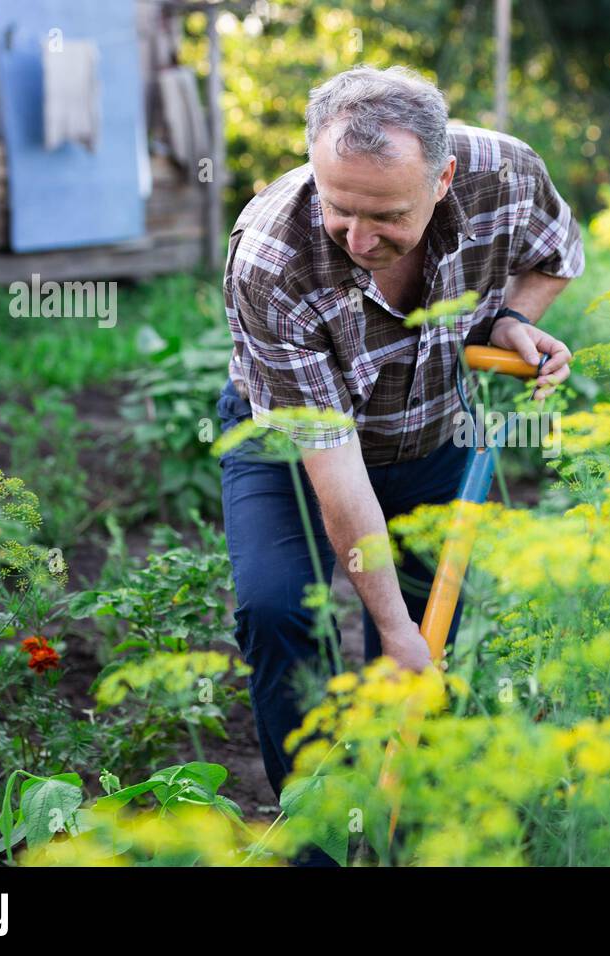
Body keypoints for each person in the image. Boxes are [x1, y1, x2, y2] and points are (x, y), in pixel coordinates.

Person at [217, 64, 585, 813]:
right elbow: (337, 472)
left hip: (431, 428)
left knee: (435, 622)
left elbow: (556, 250)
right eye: (339, 208)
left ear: (443, 176)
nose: (359, 238)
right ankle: (313, 832)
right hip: (297, 449)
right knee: (281, 610)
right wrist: (389, 627)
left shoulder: (505, 174)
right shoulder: (270, 258)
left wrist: (503, 320)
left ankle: (415, 822)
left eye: (385, 215)